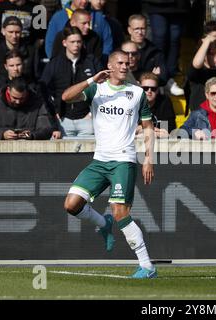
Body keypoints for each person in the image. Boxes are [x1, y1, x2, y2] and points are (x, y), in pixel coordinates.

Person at [61, 50, 157, 279]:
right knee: (71, 205)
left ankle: (147, 266)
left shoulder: (136, 93)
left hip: (123, 159)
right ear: (109, 65)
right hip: (99, 160)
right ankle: (100, 222)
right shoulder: (97, 89)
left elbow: (148, 127)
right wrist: (91, 79)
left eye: (127, 63)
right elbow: (66, 97)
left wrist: (148, 159)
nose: (124, 66)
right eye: (120, 63)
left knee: (120, 212)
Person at [40, 26, 102, 137]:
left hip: (87, 119)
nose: (76, 45)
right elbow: (44, 91)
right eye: (72, 42)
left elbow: (102, 87)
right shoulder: (54, 63)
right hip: (63, 120)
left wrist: (92, 112)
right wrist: (54, 113)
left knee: (88, 154)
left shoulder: (91, 61)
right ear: (64, 43)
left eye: (79, 41)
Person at [142, 0, 191, 96]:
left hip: (178, 6)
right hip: (156, 4)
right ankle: (161, 78)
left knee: (175, 38)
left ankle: (169, 77)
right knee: (159, 38)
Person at [0, 76, 54, 140]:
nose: (18, 102)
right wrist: (2, 135)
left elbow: (46, 129)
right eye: (15, 98)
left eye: (22, 98)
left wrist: (32, 135)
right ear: (8, 90)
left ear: (27, 92)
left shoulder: (38, 104)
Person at [0, 16, 36, 98]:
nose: (14, 36)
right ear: (3, 31)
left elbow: (38, 77)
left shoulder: (32, 51)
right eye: (10, 32)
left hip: (26, 95)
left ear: (21, 32)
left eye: (17, 32)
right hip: (0, 96)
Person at [127, 14, 168, 87]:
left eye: (143, 28)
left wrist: (155, 78)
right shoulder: (120, 51)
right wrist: (152, 76)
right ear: (129, 30)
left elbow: (163, 78)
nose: (140, 32)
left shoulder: (156, 52)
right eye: (136, 29)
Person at [137, 72, 176, 138]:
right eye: (145, 88)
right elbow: (130, 130)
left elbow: (167, 131)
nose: (149, 91)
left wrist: (144, 129)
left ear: (157, 90)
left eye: (153, 89)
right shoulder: (133, 102)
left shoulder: (164, 102)